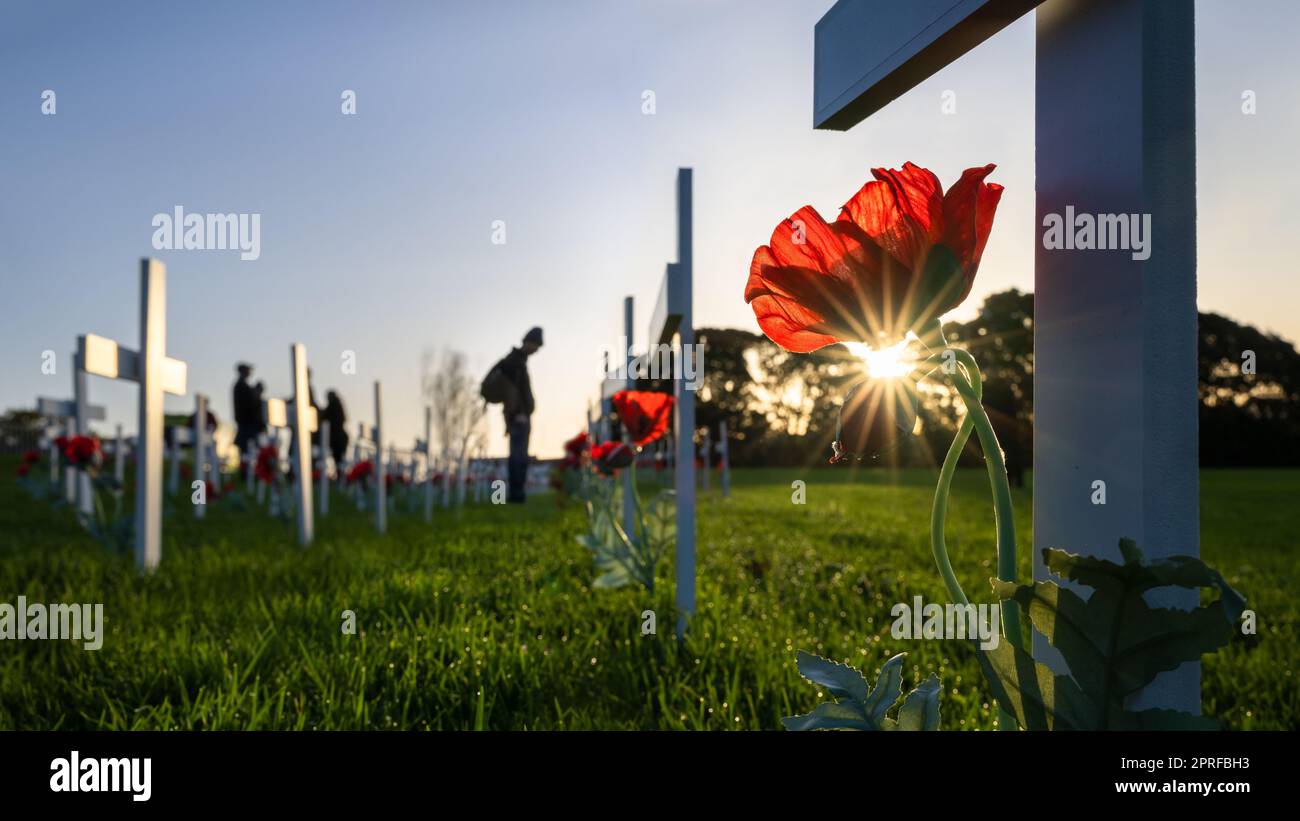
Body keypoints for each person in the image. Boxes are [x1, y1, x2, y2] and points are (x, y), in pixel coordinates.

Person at [492, 327, 542, 503]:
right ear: (529, 342)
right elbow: (513, 391)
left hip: (519, 416)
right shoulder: (514, 361)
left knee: (519, 454)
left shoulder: (518, 360)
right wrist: (518, 412)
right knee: (518, 456)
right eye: (536, 346)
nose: (536, 351)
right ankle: (516, 494)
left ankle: (517, 493)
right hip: (518, 417)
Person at [233, 363, 260, 453]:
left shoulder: (242, 385)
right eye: (248, 370)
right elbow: (249, 402)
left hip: (247, 424)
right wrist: (256, 392)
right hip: (247, 424)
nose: (250, 372)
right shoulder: (241, 386)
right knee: (248, 453)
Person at [321, 390, 349, 466]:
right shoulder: (336, 405)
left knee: (338, 460)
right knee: (339, 461)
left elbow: (324, 416)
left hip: (337, 439)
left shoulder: (333, 406)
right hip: (340, 438)